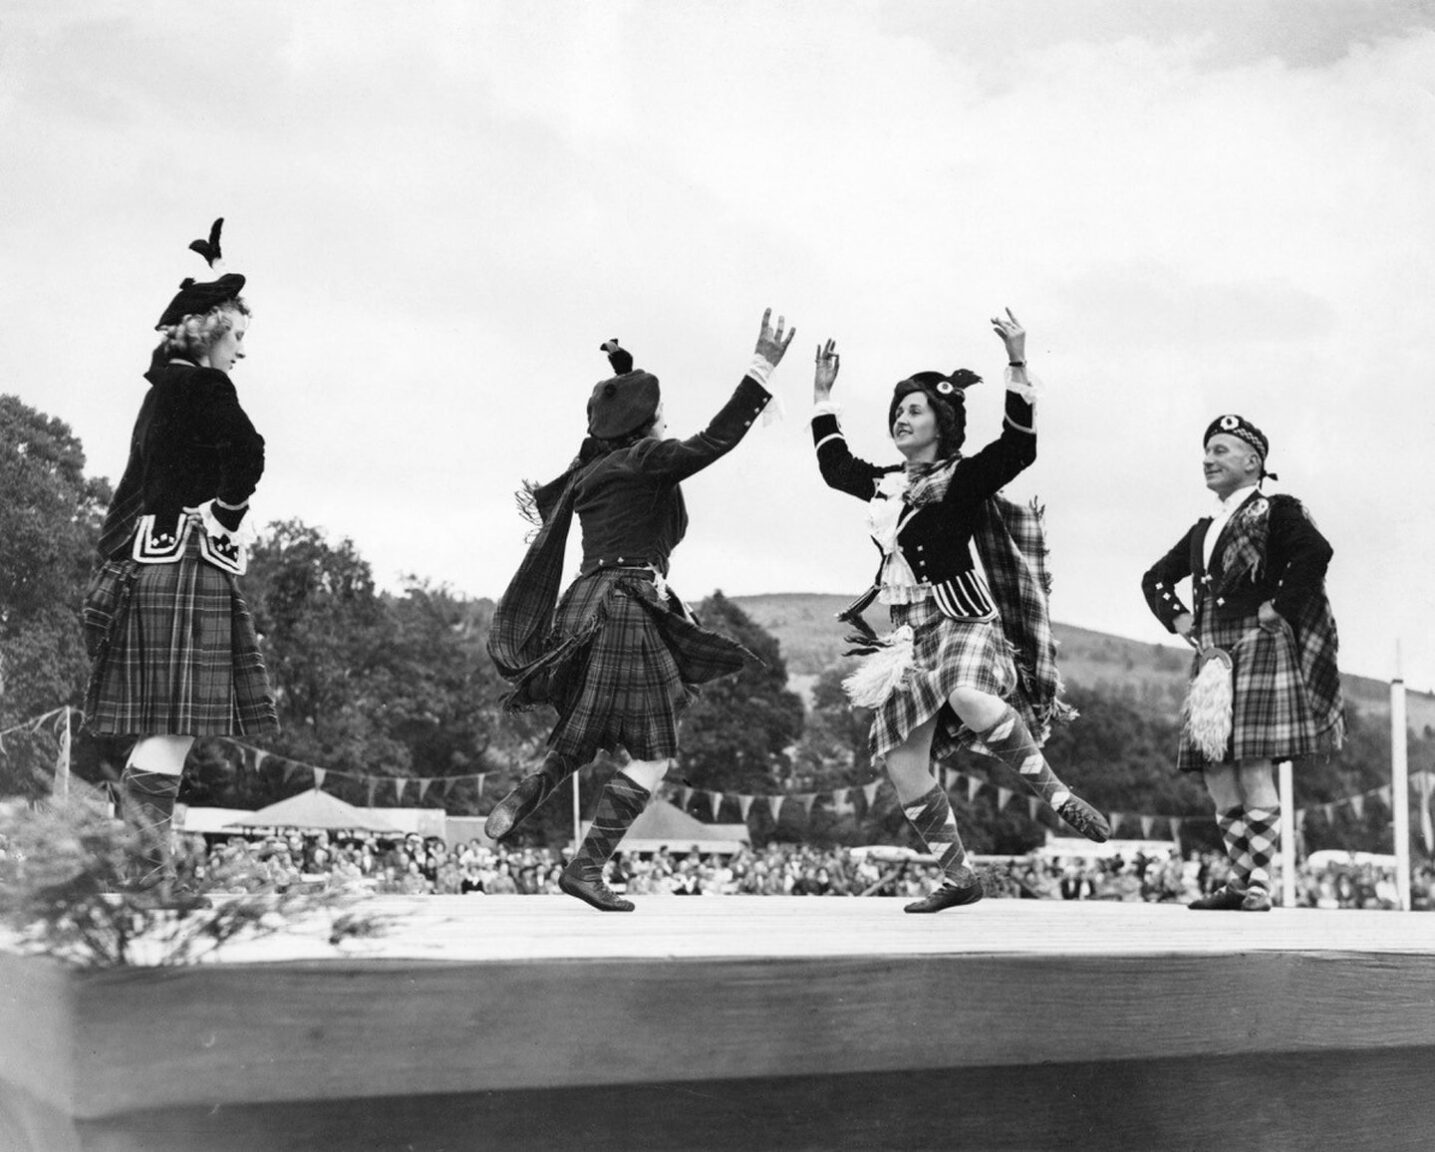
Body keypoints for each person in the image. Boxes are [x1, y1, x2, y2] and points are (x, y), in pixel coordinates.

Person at [486, 311, 796, 911]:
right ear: (645, 425)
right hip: (628, 603)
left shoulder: (593, 468)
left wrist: (623, 375)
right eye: (659, 415)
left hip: (583, 607)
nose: (667, 423)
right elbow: (716, 439)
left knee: (587, 730)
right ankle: (587, 866)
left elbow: (613, 430)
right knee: (654, 753)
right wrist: (760, 368)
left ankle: (526, 794)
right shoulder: (644, 461)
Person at [810, 311, 1108, 913]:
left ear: (942, 423)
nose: (902, 417)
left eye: (915, 409)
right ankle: (959, 877)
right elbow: (834, 466)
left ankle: (1056, 796)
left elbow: (1018, 448)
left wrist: (1018, 363)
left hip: (961, 618)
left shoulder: (963, 478)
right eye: (898, 409)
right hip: (904, 638)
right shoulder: (887, 484)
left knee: (969, 697)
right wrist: (821, 396)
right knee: (901, 763)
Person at [83, 219, 278, 900]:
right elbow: (250, 457)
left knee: (160, 733)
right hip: (184, 567)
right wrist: (221, 515)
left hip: (144, 565)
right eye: (238, 339)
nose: (242, 354)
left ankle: (138, 871)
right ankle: (144, 876)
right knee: (174, 732)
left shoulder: (159, 392)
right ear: (210, 335)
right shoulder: (203, 388)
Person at [1141, 415, 1342, 911]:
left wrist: (1282, 604)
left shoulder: (1276, 511)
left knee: (1253, 767)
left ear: (1252, 461)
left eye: (1221, 450)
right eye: (1207, 451)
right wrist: (1179, 618)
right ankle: (1240, 881)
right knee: (1216, 772)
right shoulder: (1204, 528)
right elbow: (1154, 579)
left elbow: (1316, 551)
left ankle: (1259, 885)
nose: (1209, 459)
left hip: (1257, 645)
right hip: (1214, 657)